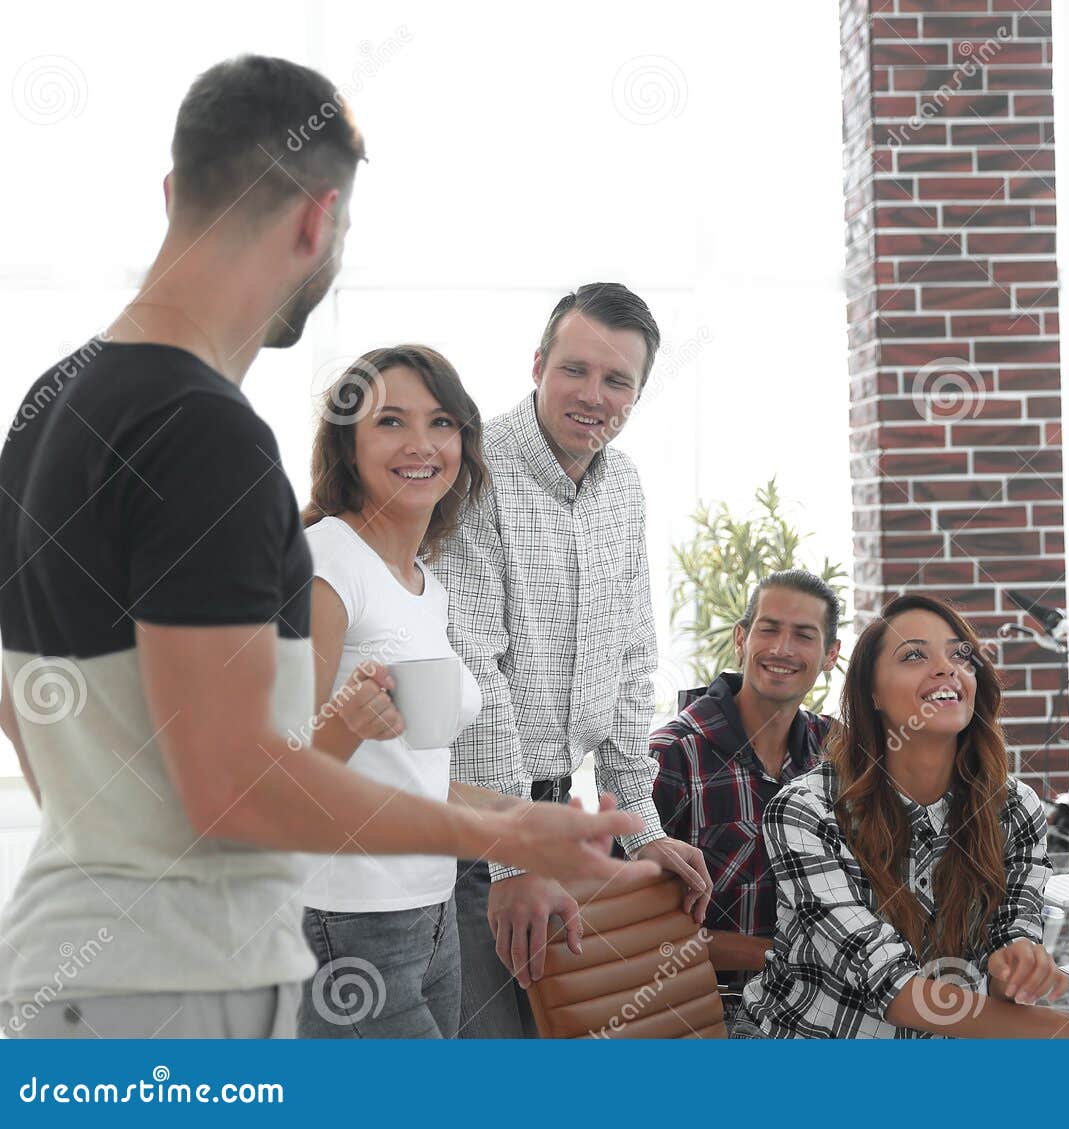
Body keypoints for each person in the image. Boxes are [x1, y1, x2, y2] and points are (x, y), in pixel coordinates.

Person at [0, 57, 654, 1040]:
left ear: (175, 192)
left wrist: (118, 840)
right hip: (183, 984)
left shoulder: (54, 403)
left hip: (82, 959)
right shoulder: (205, 432)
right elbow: (234, 785)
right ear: (318, 220)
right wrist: (503, 830)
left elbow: (24, 696)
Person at [435, 283, 712, 1037]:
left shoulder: (623, 482)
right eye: (576, 370)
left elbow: (632, 658)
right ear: (537, 365)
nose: (594, 395)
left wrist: (645, 824)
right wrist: (512, 860)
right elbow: (473, 674)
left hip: (565, 818)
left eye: (617, 379)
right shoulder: (473, 470)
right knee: (490, 1053)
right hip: (473, 824)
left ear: (638, 392)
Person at [732, 594, 1069, 1039]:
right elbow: (893, 990)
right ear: (871, 693)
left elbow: (1015, 932)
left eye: (960, 655)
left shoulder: (1016, 808)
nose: (946, 668)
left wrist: (1014, 960)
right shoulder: (805, 809)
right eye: (914, 655)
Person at [296, 345, 496, 1037]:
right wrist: (347, 723)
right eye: (390, 423)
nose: (421, 444)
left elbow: (419, 775)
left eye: (441, 422)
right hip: (346, 920)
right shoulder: (327, 560)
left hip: (432, 910)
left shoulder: (423, 586)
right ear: (347, 445)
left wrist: (537, 826)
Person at [651, 569, 842, 1023]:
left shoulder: (839, 754)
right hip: (703, 1013)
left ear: (830, 654)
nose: (782, 649)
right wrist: (784, 956)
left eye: (803, 635)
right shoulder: (671, 756)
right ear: (741, 638)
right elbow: (629, 933)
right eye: (769, 629)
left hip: (825, 1013)